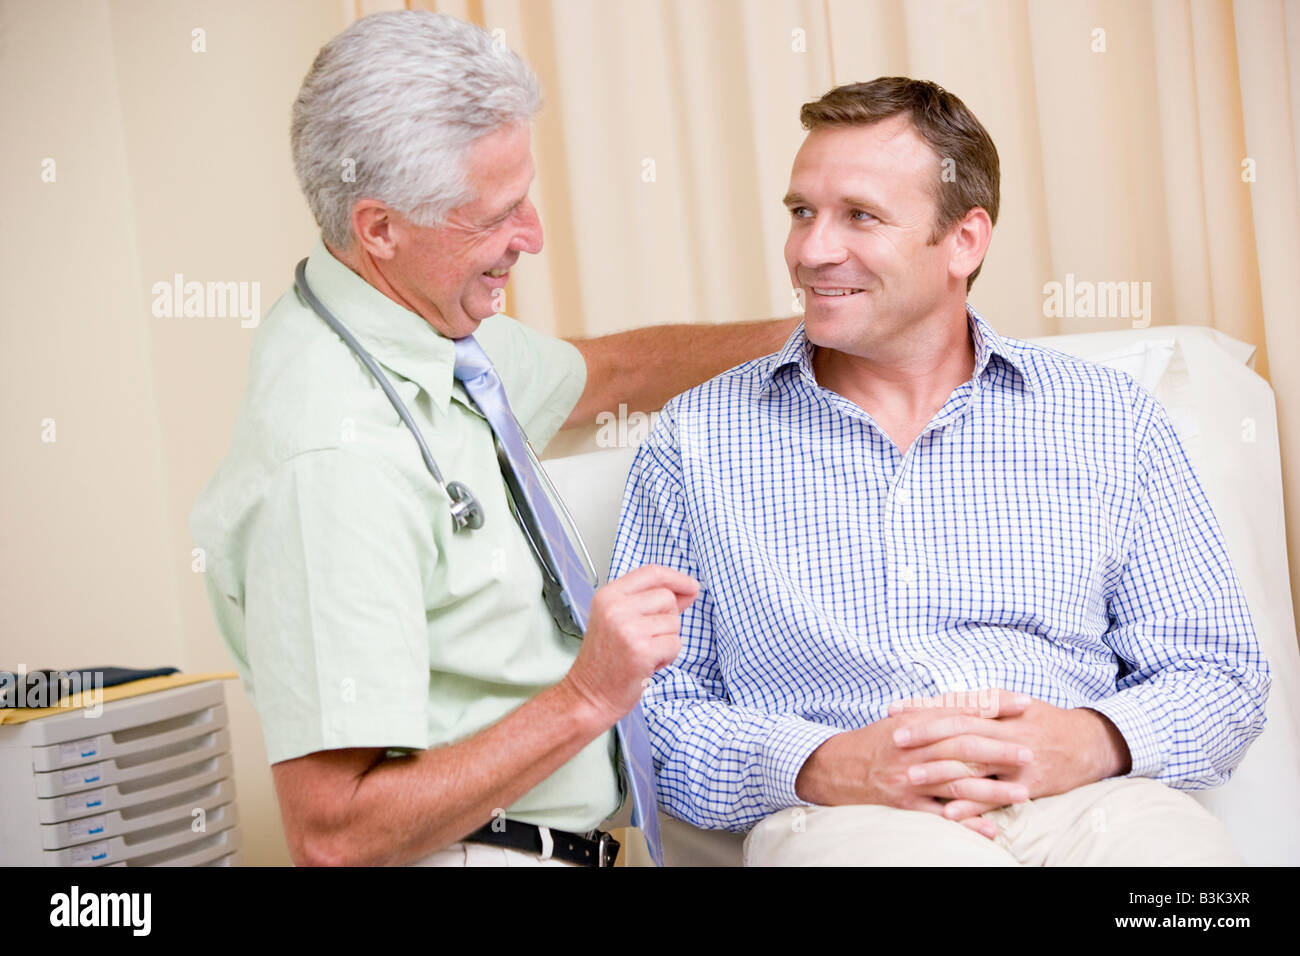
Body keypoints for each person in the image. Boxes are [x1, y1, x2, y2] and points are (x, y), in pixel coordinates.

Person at [608, 76, 1270, 865]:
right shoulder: (695, 442)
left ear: (965, 240)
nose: (812, 250)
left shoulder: (1110, 419)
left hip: (1098, 808)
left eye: (859, 215)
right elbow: (647, 713)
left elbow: (1219, 671)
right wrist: (822, 764)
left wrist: (1091, 741)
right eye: (801, 212)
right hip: (852, 819)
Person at [189, 10, 795, 867]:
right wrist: (589, 695)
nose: (534, 238)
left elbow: (616, 374)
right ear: (381, 227)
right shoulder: (333, 461)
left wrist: (827, 333)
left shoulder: (426, 334)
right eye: (498, 214)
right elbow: (334, 833)